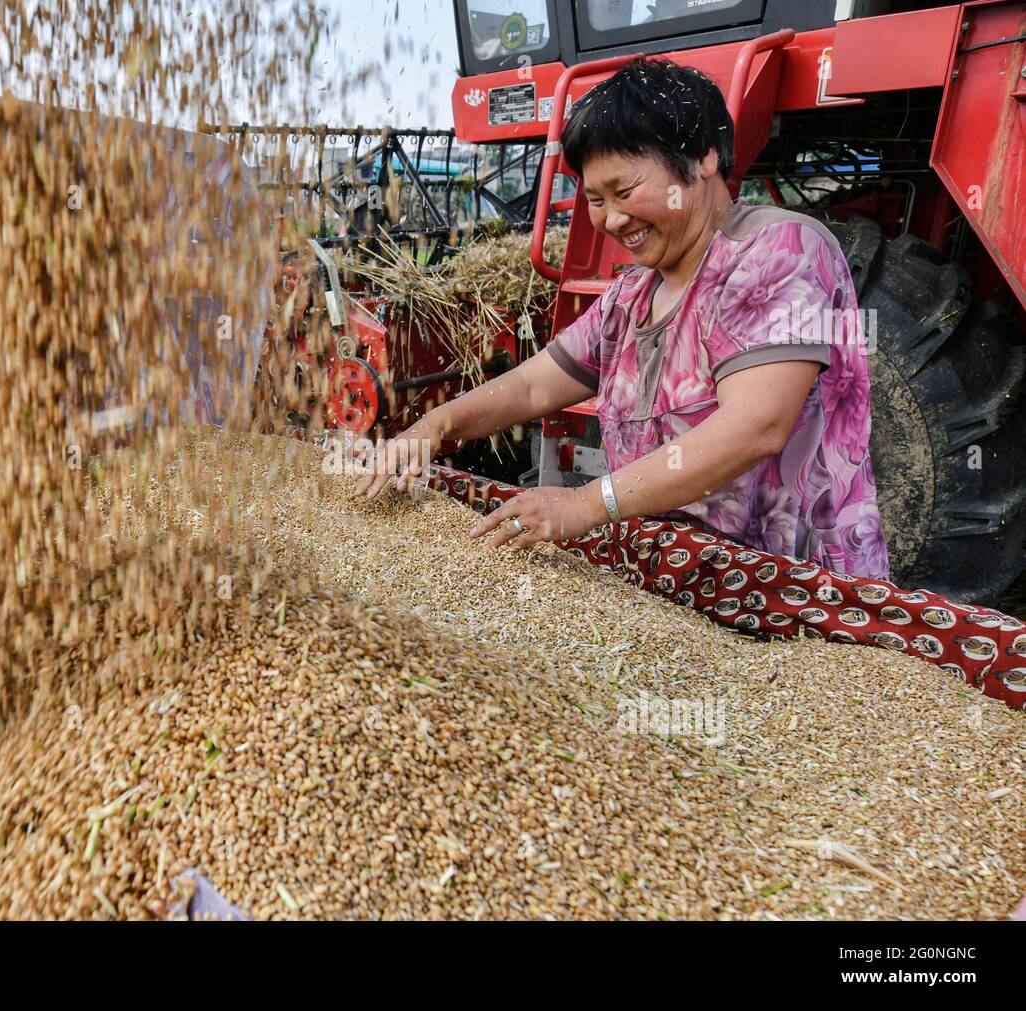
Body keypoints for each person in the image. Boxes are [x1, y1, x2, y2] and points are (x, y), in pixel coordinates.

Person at [353, 57, 1026, 709]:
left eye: (625, 191)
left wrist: (586, 504)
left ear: (701, 159)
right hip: (676, 598)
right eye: (594, 199)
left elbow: (756, 424)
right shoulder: (630, 296)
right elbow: (533, 387)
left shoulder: (778, 253)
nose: (612, 219)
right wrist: (430, 428)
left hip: (792, 612)